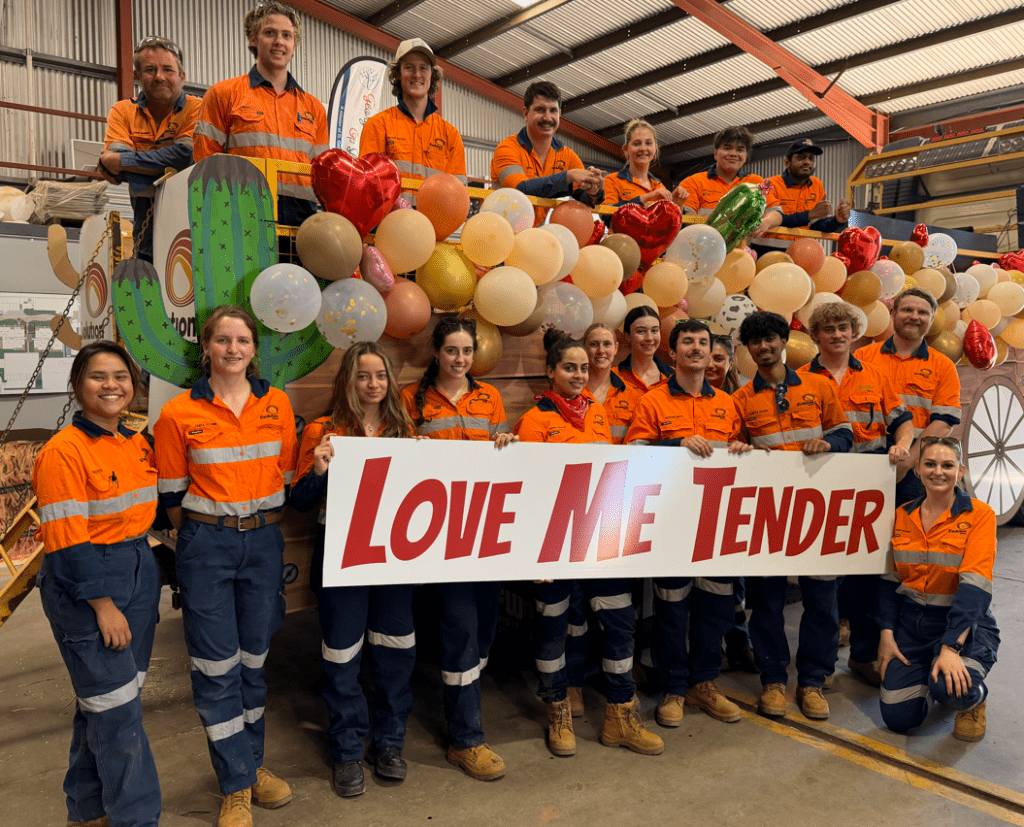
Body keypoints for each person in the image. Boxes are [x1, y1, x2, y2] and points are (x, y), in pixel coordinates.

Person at [153, 306, 296, 827]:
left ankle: (252, 766)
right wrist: (201, 533)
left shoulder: (277, 404)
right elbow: (171, 494)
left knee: (254, 662)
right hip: (206, 548)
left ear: (254, 349)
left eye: (242, 340)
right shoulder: (177, 415)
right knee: (216, 668)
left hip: (263, 546)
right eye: (222, 340)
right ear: (206, 348)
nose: (233, 349)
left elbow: (285, 472)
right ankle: (235, 784)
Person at [515, 329, 663, 758]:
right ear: (550, 372)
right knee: (553, 628)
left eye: (583, 368)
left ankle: (620, 714)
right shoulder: (535, 421)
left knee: (619, 625)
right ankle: (557, 709)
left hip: (600, 539)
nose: (579, 374)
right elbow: (530, 488)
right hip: (553, 544)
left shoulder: (597, 412)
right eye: (569, 367)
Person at [33, 342, 161, 827]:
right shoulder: (63, 452)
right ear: (76, 385)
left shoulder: (132, 440)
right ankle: (138, 819)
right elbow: (66, 544)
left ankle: (86, 813)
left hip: (138, 567)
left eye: (121, 376)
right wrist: (103, 605)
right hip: (88, 582)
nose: (112, 386)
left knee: (104, 705)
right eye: (98, 377)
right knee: (119, 712)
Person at [291, 342, 418, 798]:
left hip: (395, 558)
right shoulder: (325, 432)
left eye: (380, 376)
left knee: (395, 651)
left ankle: (388, 743)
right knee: (342, 655)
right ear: (348, 380)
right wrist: (320, 470)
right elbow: (301, 501)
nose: (373, 384)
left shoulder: (404, 429)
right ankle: (345, 750)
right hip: (341, 555)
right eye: (363, 376)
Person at [399, 317, 514, 782]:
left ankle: (462, 684)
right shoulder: (412, 397)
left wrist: (507, 443)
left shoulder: (490, 397)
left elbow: (504, 459)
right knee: (463, 631)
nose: (460, 359)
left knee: (485, 628)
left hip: (484, 534)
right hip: (439, 539)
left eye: (466, 351)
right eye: (452, 351)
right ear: (436, 351)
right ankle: (465, 738)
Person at [625, 320, 751, 727]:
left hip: (716, 526)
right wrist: (674, 444)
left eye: (703, 343)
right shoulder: (654, 402)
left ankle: (704, 684)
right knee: (671, 611)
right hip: (671, 524)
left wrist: (740, 448)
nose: (696, 349)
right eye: (687, 343)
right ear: (673, 353)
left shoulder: (728, 404)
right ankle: (674, 689)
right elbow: (635, 452)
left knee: (715, 609)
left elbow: (741, 452)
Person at [732, 311, 853, 721]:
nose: (763, 347)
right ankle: (772, 680)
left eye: (770, 339)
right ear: (748, 350)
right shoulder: (741, 400)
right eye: (755, 342)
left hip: (816, 511)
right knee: (767, 600)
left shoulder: (820, 386)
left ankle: (814, 682)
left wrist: (828, 443)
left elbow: (846, 432)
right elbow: (735, 449)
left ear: (784, 340)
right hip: (769, 513)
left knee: (821, 600)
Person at [802, 302, 915, 686]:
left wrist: (901, 446)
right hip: (821, 496)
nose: (836, 335)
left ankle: (864, 657)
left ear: (854, 333)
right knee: (824, 587)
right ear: (815, 335)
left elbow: (903, 422)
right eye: (828, 328)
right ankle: (822, 665)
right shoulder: (799, 379)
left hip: (869, 494)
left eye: (843, 328)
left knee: (867, 582)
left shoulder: (876, 376)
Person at [878, 436, 999, 742]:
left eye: (948, 465)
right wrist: (887, 634)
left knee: (951, 689)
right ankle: (935, 678)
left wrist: (950, 647)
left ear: (961, 471)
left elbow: (975, 589)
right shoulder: (902, 515)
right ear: (918, 468)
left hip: (963, 626)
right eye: (930, 464)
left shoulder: (979, 516)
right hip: (912, 625)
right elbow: (890, 583)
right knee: (898, 718)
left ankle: (974, 699)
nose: (938, 472)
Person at [192, 2, 328, 227]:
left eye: (287, 36)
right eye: (270, 33)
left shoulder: (313, 108)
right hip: (242, 218)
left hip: (301, 223)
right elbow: (205, 162)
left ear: (294, 45)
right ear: (253, 39)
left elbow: (322, 174)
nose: (279, 42)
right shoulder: (223, 94)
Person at [855, 287, 962, 508]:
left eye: (923, 313)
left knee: (906, 531)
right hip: (864, 454)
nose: (914, 316)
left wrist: (908, 461)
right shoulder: (862, 358)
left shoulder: (943, 366)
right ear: (893, 314)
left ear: (931, 320)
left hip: (914, 461)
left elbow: (943, 423)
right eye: (907, 310)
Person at [99, 37, 200, 262]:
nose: (159, 77)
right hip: (144, 222)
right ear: (137, 76)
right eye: (150, 70)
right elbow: (111, 171)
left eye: (167, 69)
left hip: (193, 220)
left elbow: (185, 158)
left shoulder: (197, 109)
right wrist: (162, 164)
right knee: (148, 283)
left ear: (182, 77)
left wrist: (126, 162)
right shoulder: (123, 111)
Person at [491, 81, 604, 226]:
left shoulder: (567, 155)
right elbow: (520, 190)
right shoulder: (507, 148)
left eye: (553, 111)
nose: (547, 118)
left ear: (560, 114)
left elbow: (583, 197)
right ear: (526, 113)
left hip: (533, 235)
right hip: (498, 232)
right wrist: (567, 176)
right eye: (540, 110)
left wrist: (594, 190)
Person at [360, 39, 466, 191]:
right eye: (409, 68)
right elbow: (369, 185)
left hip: (434, 215)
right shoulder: (378, 125)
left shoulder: (450, 135)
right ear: (397, 74)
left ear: (432, 75)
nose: (417, 75)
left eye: (423, 68)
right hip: (391, 215)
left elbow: (457, 193)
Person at [677, 126, 783, 237]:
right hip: (701, 248)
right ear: (716, 154)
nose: (733, 154)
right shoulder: (694, 182)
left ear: (745, 156)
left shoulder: (756, 183)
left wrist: (766, 222)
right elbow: (685, 217)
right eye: (727, 148)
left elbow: (776, 213)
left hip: (743, 251)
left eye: (740, 150)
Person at [767, 138, 850, 234]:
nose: (807, 162)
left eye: (811, 158)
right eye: (801, 157)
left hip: (802, 248)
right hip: (767, 249)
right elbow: (772, 220)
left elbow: (816, 225)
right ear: (787, 163)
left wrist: (837, 220)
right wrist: (809, 215)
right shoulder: (769, 185)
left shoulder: (817, 185)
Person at [583, 322, 645, 443]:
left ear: (615, 348)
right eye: (594, 344)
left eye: (607, 344)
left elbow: (639, 442)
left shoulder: (634, 397)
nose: (601, 351)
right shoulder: (570, 394)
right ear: (584, 348)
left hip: (619, 461)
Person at [602, 120, 686, 208]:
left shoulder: (660, 187)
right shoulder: (612, 181)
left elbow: (670, 221)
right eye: (637, 144)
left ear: (655, 148)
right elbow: (606, 215)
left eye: (648, 143)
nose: (643, 148)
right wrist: (646, 198)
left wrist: (678, 205)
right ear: (626, 150)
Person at [614, 306, 672, 393]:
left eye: (654, 331)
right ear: (627, 336)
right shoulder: (613, 377)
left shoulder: (675, 377)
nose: (649, 338)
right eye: (641, 331)